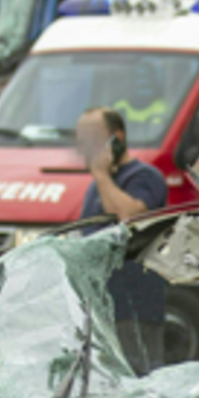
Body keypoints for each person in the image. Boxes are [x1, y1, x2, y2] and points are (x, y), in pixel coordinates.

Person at [75, 106, 168, 374]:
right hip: (102, 307)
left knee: (139, 376)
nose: (84, 148)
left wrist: (102, 175)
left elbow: (130, 218)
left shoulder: (143, 177)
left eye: (91, 138)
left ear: (117, 138)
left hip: (135, 307)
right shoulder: (99, 185)